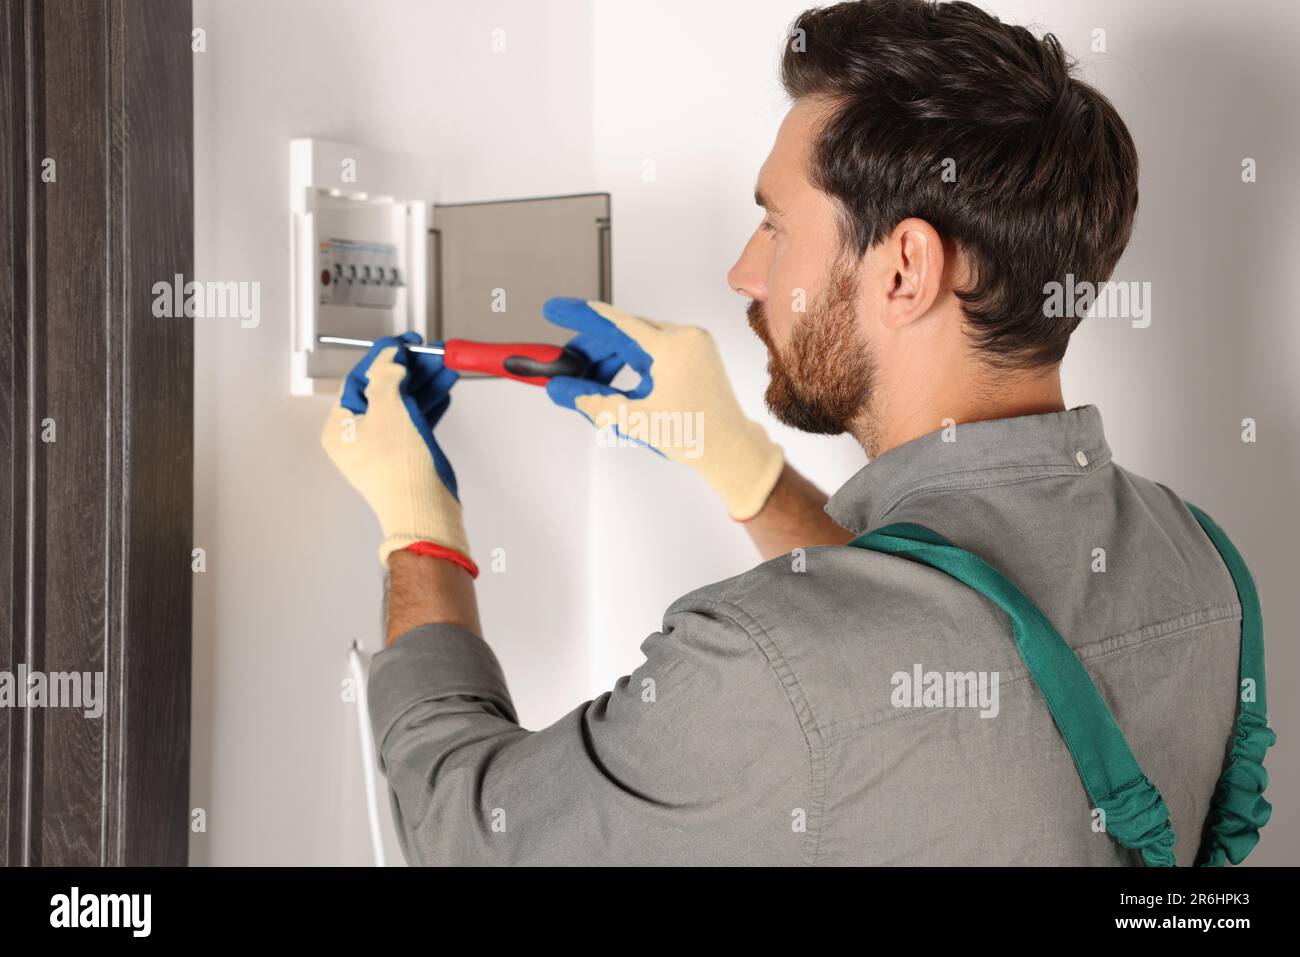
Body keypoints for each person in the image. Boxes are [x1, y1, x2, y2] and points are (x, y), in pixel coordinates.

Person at [321, 0, 1270, 865]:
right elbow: (936, 636)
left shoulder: (765, 666)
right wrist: (741, 468)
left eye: (774, 226)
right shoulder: (1204, 569)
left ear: (905, 270)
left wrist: (420, 531)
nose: (744, 273)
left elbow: (463, 831)